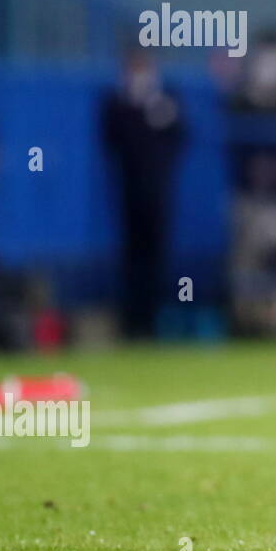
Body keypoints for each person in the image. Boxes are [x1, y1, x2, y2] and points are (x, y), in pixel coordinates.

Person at [101, 46, 188, 339]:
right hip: (128, 193)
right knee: (131, 259)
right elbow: (111, 141)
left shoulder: (167, 98)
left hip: (159, 193)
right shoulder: (116, 102)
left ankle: (153, 323)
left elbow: (180, 137)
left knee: (157, 258)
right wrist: (137, 111)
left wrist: (160, 112)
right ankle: (131, 322)